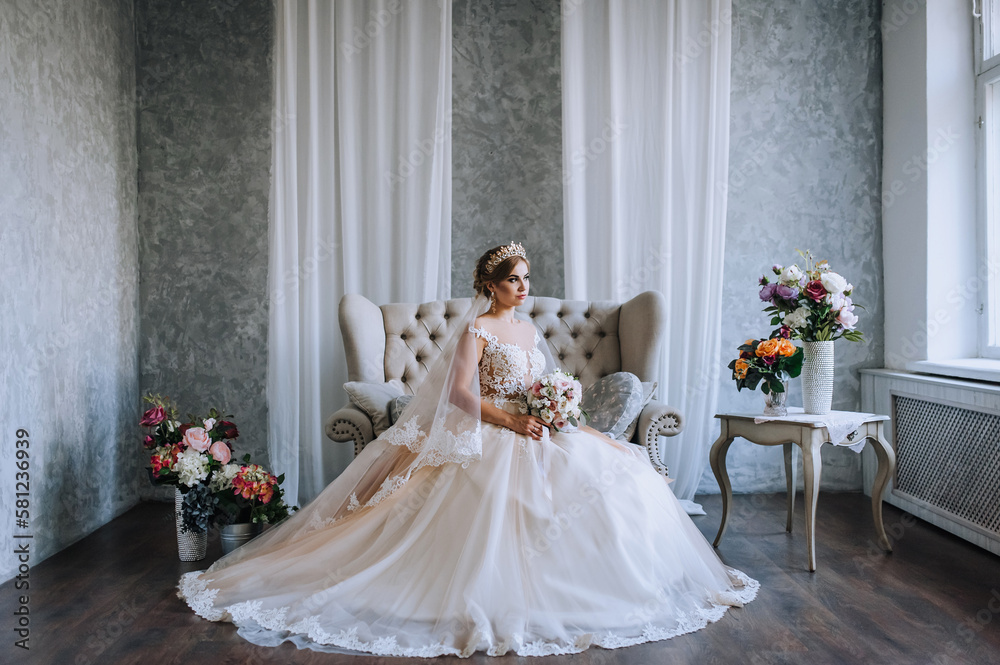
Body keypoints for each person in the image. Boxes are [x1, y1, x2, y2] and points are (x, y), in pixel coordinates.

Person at [178, 242, 758, 658]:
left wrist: (554, 414)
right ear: (490, 287)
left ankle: (617, 585)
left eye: (527, 278)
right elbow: (458, 394)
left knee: (619, 471)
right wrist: (511, 420)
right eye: (513, 281)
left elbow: (542, 386)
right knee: (479, 501)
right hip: (488, 429)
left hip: (535, 427)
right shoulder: (478, 331)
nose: (523, 288)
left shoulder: (531, 332)